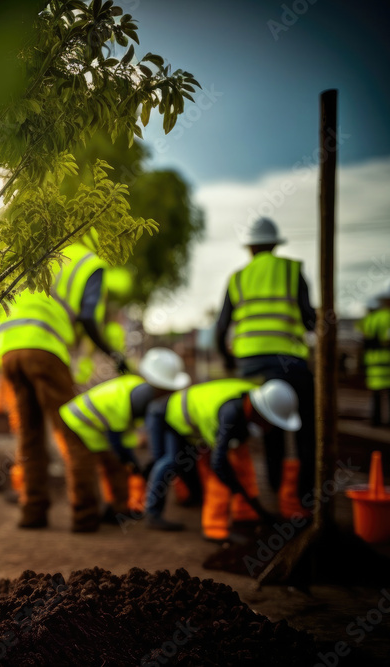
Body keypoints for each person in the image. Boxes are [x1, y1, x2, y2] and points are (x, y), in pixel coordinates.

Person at [0, 232, 128, 531]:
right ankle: (85, 515)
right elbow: (91, 317)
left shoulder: (34, 256)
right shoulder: (87, 262)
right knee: (72, 429)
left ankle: (33, 511)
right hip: (45, 347)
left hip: (8, 349)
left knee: (29, 435)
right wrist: (114, 355)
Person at [215, 217, 316, 512]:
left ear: (249, 248)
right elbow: (310, 318)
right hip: (291, 363)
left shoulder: (237, 278)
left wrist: (229, 360)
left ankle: (277, 493)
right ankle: (304, 498)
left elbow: (221, 329)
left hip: (251, 368)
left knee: (270, 429)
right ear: (274, 244)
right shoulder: (291, 271)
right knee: (305, 430)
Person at [148, 378, 300, 541]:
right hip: (175, 412)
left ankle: (244, 513)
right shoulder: (231, 413)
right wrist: (234, 487)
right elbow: (218, 463)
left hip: (200, 416)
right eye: (271, 421)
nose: (271, 427)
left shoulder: (253, 398)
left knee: (236, 459)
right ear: (261, 412)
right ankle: (154, 514)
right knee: (171, 461)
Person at [58, 348, 191, 527]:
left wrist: (130, 461)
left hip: (95, 428)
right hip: (75, 422)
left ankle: (117, 510)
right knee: (83, 468)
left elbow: (125, 436)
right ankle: (84, 518)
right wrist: (131, 462)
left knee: (116, 467)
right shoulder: (131, 400)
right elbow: (116, 440)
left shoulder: (136, 388)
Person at [357, 291, 390, 426]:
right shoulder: (387, 317)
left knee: (375, 394)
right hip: (387, 362)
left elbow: (363, 339)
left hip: (372, 362)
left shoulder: (368, 319)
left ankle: (375, 420)